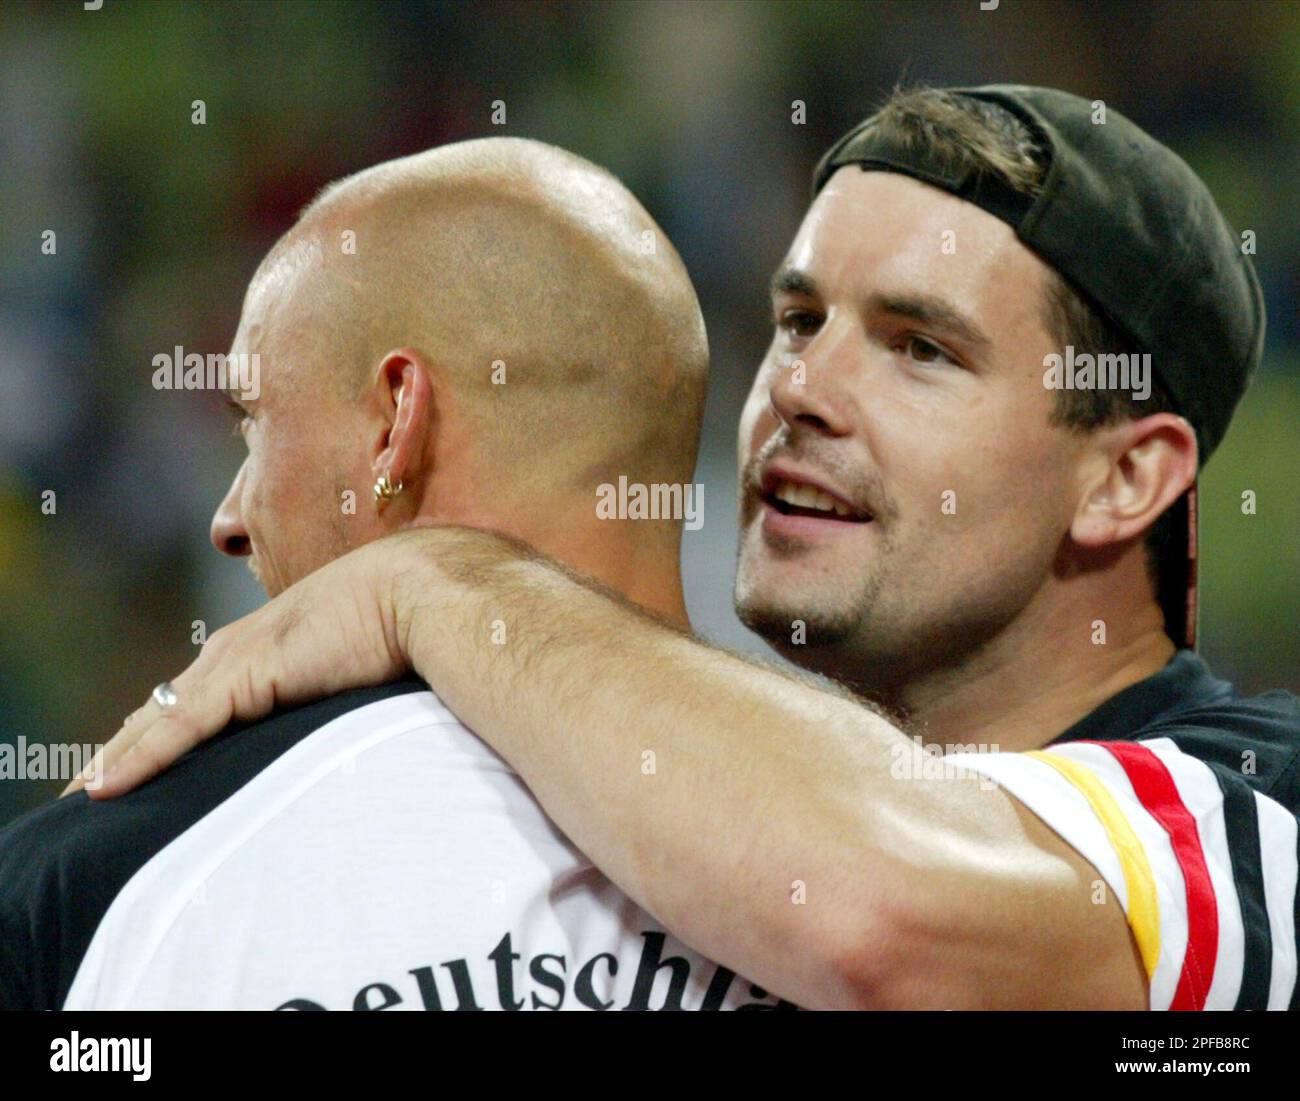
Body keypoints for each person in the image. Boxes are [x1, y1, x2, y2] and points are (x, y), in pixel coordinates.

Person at [76, 86, 1298, 1011]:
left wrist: (441, 576)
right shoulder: (666, 809)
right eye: (798, 320)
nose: (801, 389)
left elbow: (877, 920)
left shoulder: (1258, 817)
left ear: (1125, 477)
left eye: (921, 347)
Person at [0, 137, 787, 1011]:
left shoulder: (92, 892)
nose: (228, 519)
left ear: (395, 424)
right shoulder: (919, 872)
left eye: (254, 424)